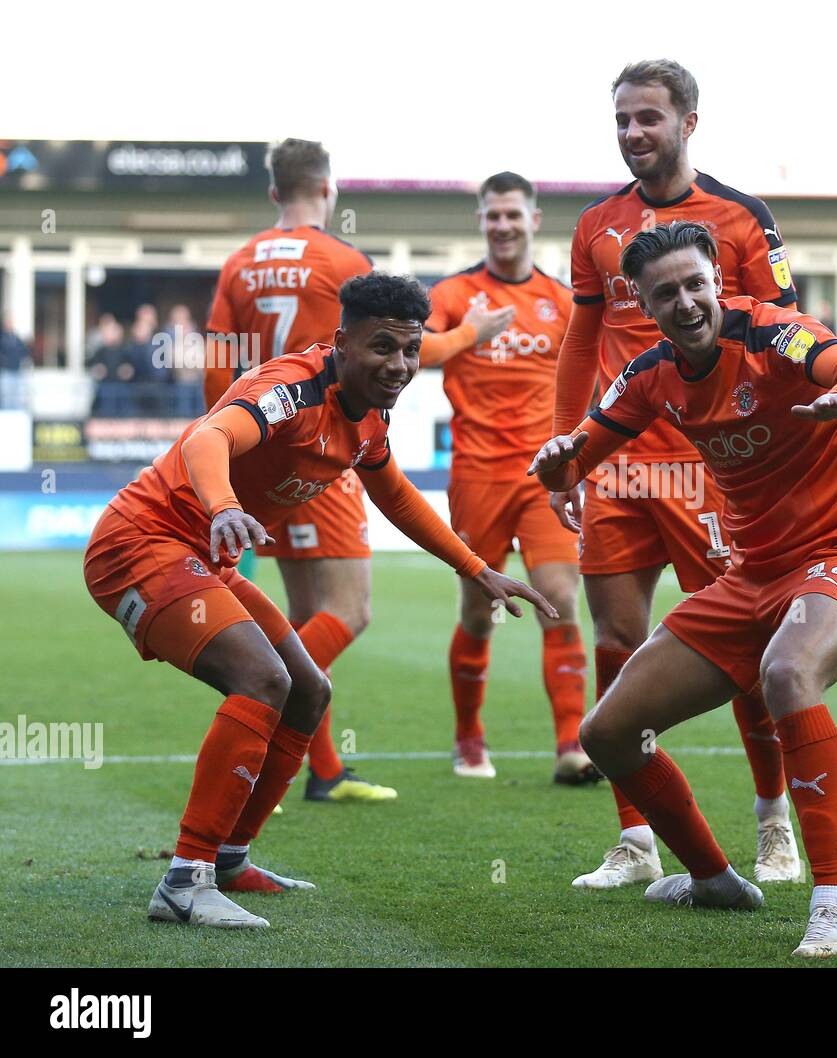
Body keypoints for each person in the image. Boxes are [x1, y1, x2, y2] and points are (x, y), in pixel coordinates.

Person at [84, 273, 555, 928]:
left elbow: (395, 495)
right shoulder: (292, 390)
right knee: (262, 678)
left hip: (198, 555)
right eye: (382, 347)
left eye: (410, 350)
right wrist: (223, 506)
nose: (399, 365)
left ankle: (227, 860)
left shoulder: (366, 414)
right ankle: (184, 880)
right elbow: (206, 438)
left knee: (308, 689)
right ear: (341, 341)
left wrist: (477, 569)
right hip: (138, 547)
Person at [532, 221, 837, 957]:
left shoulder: (775, 337)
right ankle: (715, 879)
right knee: (604, 734)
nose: (686, 302)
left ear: (718, 281)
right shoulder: (652, 374)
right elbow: (584, 448)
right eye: (666, 293)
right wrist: (557, 465)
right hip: (750, 576)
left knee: (787, 673)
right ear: (642, 304)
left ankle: (833, 909)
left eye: (696, 284)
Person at [554, 59, 805, 890]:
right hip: (618, 471)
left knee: (748, 653)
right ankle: (635, 842)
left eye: (649, 118)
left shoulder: (740, 218)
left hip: (714, 471)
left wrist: (781, 448)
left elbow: (785, 333)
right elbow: (582, 344)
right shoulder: (596, 225)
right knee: (617, 644)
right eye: (622, 119)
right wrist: (567, 453)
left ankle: (774, 824)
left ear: (689, 121)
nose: (633, 133)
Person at [204, 139, 512, 805]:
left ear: (273, 193)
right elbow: (397, 348)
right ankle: (259, 686)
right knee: (349, 610)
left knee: (307, 610)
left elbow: (215, 364)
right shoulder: (342, 259)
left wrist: (229, 455)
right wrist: (471, 335)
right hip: (322, 444)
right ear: (329, 189)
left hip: (253, 449)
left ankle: (321, 770)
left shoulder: (238, 262)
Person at [421, 172, 595, 784]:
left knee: (561, 602)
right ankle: (469, 736)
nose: (502, 225)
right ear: (481, 221)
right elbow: (414, 350)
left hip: (543, 479)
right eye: (492, 215)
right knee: (477, 611)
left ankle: (571, 745)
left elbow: (592, 379)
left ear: (533, 220)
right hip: (476, 476)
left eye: (512, 215)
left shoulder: (563, 299)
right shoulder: (453, 293)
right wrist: (473, 332)